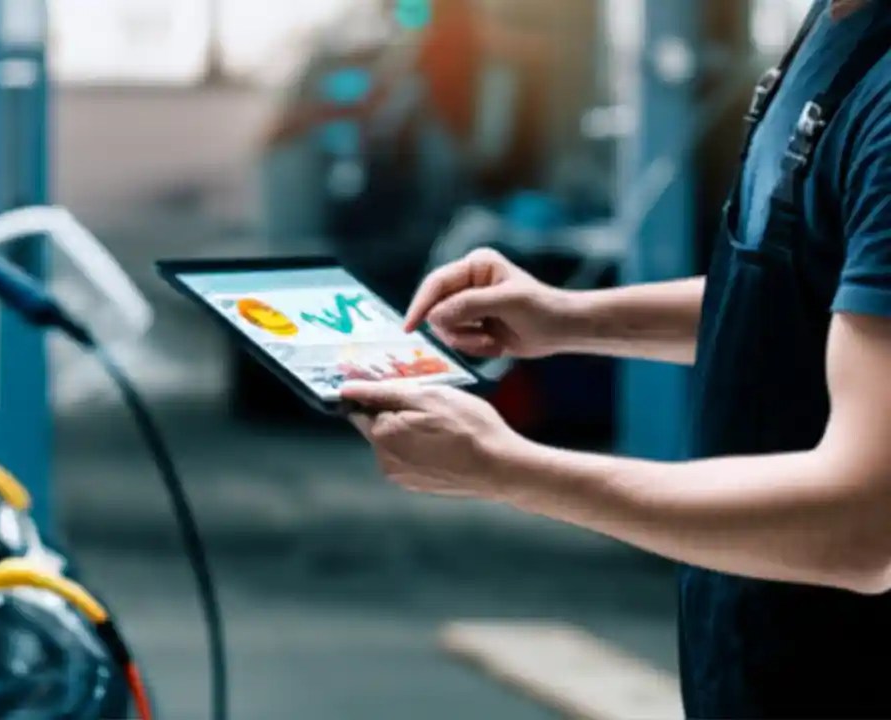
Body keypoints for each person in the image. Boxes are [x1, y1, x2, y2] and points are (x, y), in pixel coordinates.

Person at [343, 1, 891, 717]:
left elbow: (862, 523)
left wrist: (509, 469)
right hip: (760, 665)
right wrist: (566, 317)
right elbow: (798, 306)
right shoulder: (833, 25)